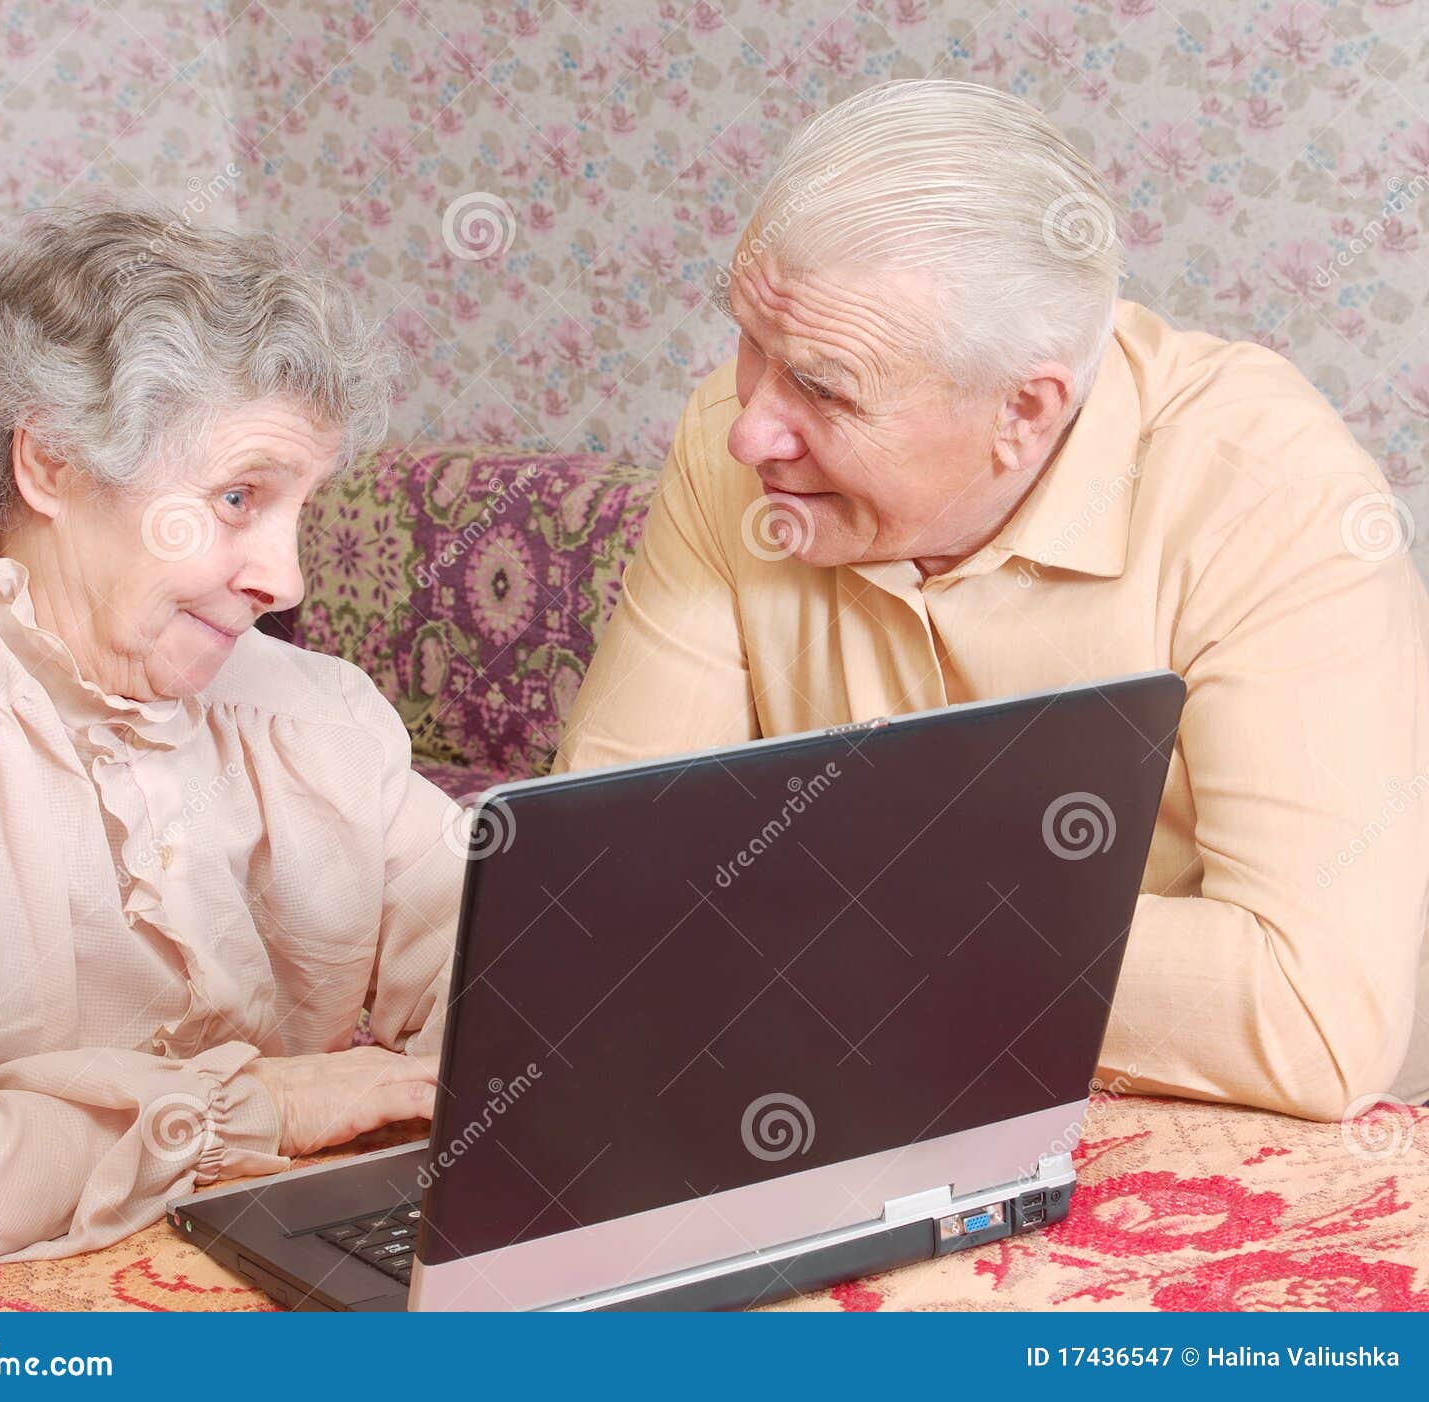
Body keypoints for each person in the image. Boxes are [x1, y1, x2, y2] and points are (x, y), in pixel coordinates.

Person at [555, 79, 1429, 1123]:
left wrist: (822, 888)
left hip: (1244, 1136)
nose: (752, 430)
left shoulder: (1265, 485)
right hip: (862, 1099)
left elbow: (1306, 1020)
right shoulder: (735, 439)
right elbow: (594, 893)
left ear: (1022, 410)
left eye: (825, 389)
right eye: (751, 342)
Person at [0, 200, 463, 1301]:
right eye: (236, 498)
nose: (288, 580)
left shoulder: (310, 714)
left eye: (298, 509)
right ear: (55, 465)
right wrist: (251, 1109)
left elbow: (523, 985)